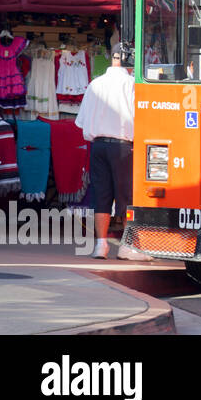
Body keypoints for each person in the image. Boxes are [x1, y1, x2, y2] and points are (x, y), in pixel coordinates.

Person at [74, 51, 148, 260]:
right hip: (123, 145)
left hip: (98, 145)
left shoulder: (95, 84)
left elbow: (81, 122)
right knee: (127, 196)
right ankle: (127, 246)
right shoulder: (131, 83)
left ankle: (101, 245)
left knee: (101, 196)